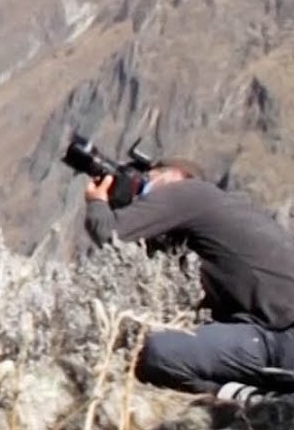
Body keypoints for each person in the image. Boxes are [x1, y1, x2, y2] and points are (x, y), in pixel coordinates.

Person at [84, 157, 294, 401]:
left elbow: (111, 233)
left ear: (172, 176)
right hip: (275, 340)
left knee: (154, 353)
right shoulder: (218, 217)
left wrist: (97, 202)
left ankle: (256, 402)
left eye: (146, 185)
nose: (145, 197)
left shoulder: (186, 192)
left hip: (280, 340)